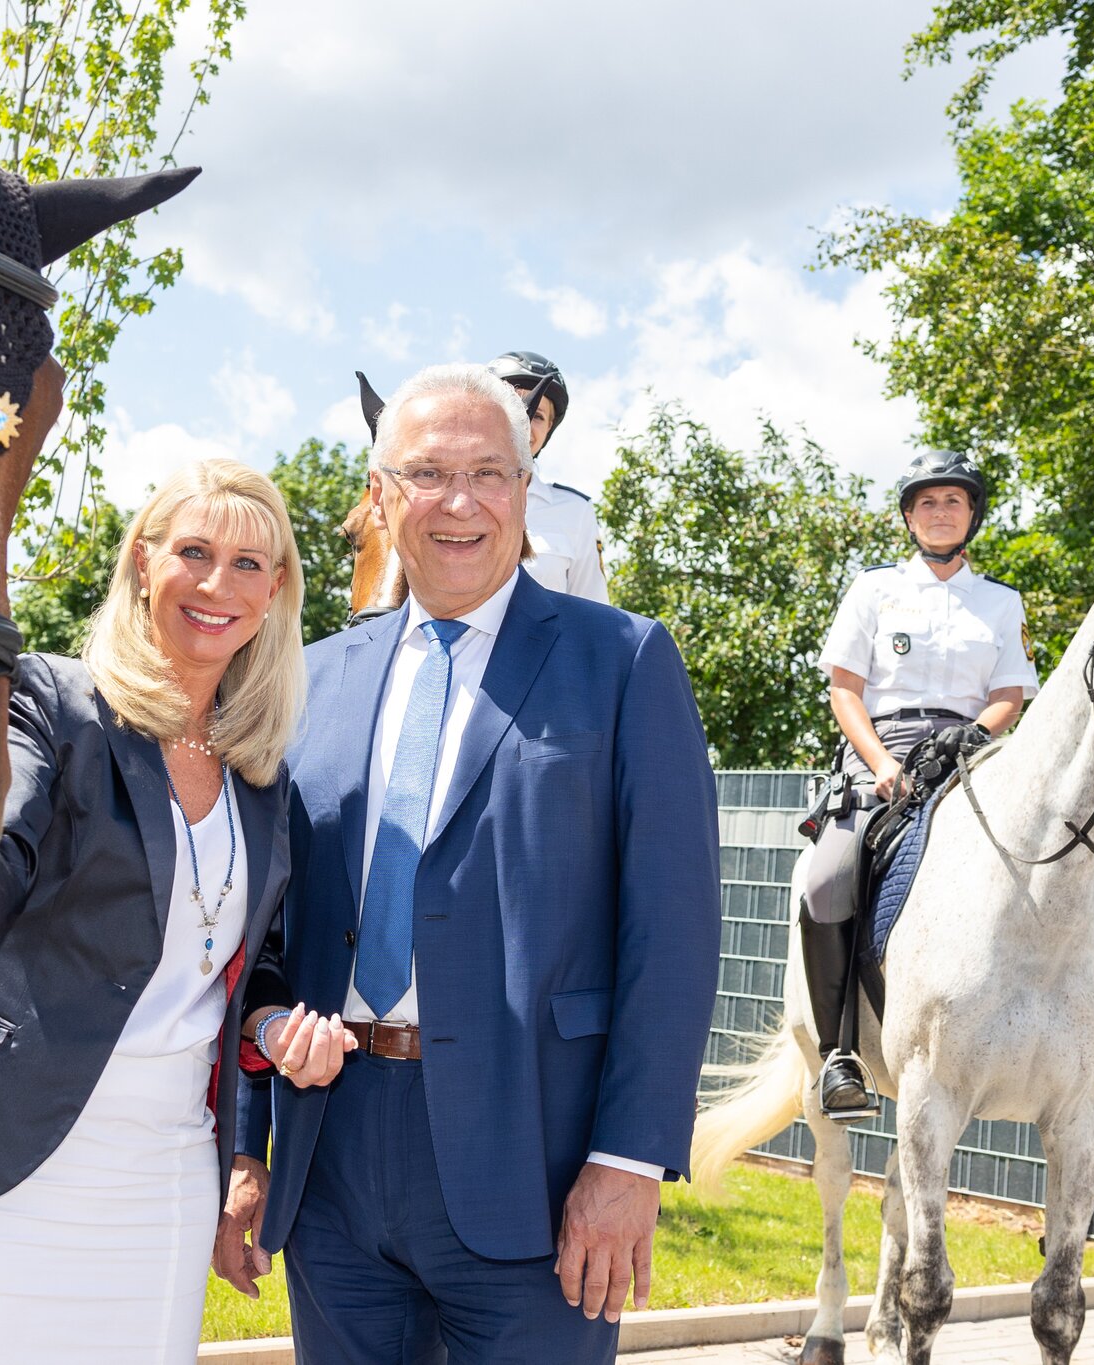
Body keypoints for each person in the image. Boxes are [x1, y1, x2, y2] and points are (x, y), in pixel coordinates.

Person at [224, 365, 721, 1363]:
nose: (459, 503)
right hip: (331, 1164)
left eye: (489, 472)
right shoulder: (310, 678)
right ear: (380, 495)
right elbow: (257, 929)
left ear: (526, 493)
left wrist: (624, 1162)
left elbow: (670, 932)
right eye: (427, 473)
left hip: (534, 1165)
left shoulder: (621, 663)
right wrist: (247, 1148)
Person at [0, 459, 349, 1365]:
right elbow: (2, 846)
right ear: (144, 562)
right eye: (194, 552)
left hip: (166, 1176)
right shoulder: (55, 702)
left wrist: (276, 1028)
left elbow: (245, 966)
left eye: (250, 563)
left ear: (278, 589)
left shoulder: (264, 775)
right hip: (0, 1148)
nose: (219, 585)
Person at [802, 450, 1094, 1123]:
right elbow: (844, 690)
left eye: (954, 502)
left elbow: (1009, 695)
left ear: (972, 516)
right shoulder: (872, 590)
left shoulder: (1001, 601)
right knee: (828, 873)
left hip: (977, 751)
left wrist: (974, 736)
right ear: (909, 515)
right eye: (928, 502)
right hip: (887, 753)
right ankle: (837, 1051)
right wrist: (879, 762)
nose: (941, 512)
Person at [486, 350, 609, 604]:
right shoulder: (448, 498)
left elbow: (593, 609)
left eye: (538, 415)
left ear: (549, 429)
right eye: (511, 407)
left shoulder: (575, 511)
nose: (523, 422)